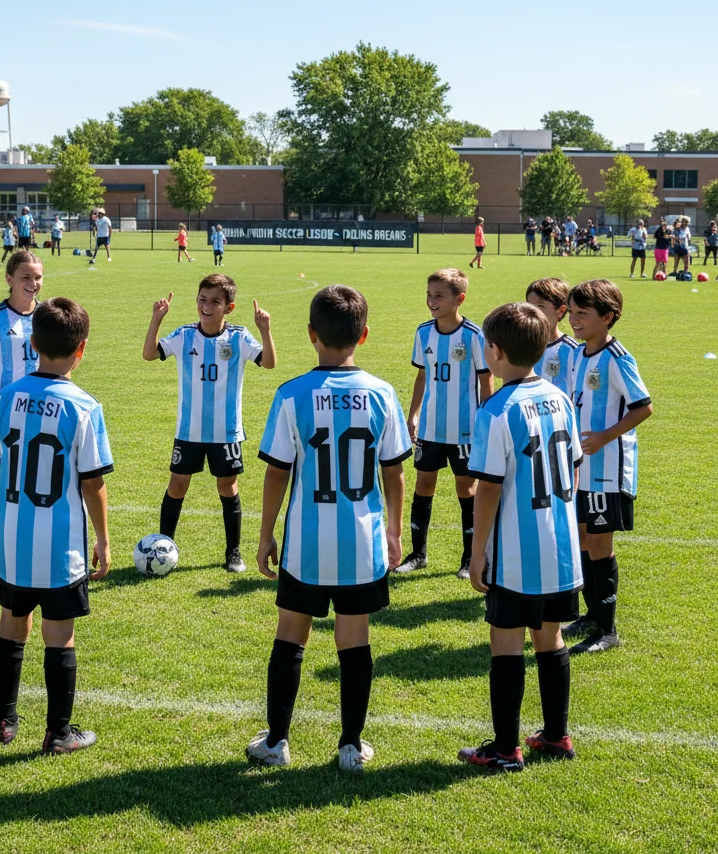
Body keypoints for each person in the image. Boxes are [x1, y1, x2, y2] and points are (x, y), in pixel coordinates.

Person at [246, 285, 410, 772]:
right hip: (362, 541)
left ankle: (276, 741)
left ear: (312, 335)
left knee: (291, 635)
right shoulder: (382, 393)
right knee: (354, 640)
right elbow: (394, 471)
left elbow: (277, 471)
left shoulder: (292, 393)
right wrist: (396, 532)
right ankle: (351, 746)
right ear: (364, 334)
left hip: (306, 543)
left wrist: (265, 533)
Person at [0, 297, 113, 752]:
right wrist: (103, 539)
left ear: (32, 342)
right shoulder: (83, 406)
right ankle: (58, 732)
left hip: (15, 538)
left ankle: (4, 723)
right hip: (61, 547)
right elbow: (93, 483)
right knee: (60, 634)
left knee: (10, 625)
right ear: (83, 349)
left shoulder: (9, 396)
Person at [458, 302, 583, 772]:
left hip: (516, 553)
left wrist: (477, 553)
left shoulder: (495, 409)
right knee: (550, 639)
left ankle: (506, 748)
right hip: (562, 549)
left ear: (495, 350)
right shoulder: (559, 396)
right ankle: (556, 736)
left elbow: (487, 488)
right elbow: (572, 465)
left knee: (506, 643)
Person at [143, 273, 276, 572]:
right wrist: (157, 319)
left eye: (215, 301)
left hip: (225, 431)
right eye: (202, 299)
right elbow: (149, 354)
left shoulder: (239, 337)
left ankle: (234, 552)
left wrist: (265, 330)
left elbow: (268, 362)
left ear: (229, 307)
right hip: (188, 430)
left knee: (227, 487)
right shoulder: (184, 334)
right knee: (177, 485)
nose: (206, 306)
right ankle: (164, 547)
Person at [565, 280, 653, 654]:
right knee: (584, 539)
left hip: (606, 468)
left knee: (600, 545)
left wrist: (604, 436)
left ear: (608, 316)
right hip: (582, 466)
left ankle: (608, 630)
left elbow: (643, 406)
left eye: (582, 314)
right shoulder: (577, 353)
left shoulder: (617, 358)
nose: (573, 320)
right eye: (571, 312)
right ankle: (590, 615)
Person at [397, 269, 494, 579]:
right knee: (423, 486)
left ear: (459, 299)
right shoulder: (423, 332)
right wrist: (413, 415)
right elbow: (422, 376)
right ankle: (418, 554)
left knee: (466, 490)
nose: (431, 301)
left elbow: (486, 379)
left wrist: (486, 419)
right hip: (430, 428)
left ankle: (469, 558)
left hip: (466, 429)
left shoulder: (474, 335)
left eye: (439, 295)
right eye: (429, 294)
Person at [0, 251, 43, 564]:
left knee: (36, 477)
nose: (32, 283)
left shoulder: (47, 315)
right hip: (3, 414)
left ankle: (31, 535)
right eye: (26, 277)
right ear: (9, 280)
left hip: (42, 413)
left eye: (37, 277)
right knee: (1, 476)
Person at [525, 278, 579, 394]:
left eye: (540, 306)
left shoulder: (573, 351)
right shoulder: (521, 346)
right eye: (530, 306)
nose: (533, 313)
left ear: (560, 310)